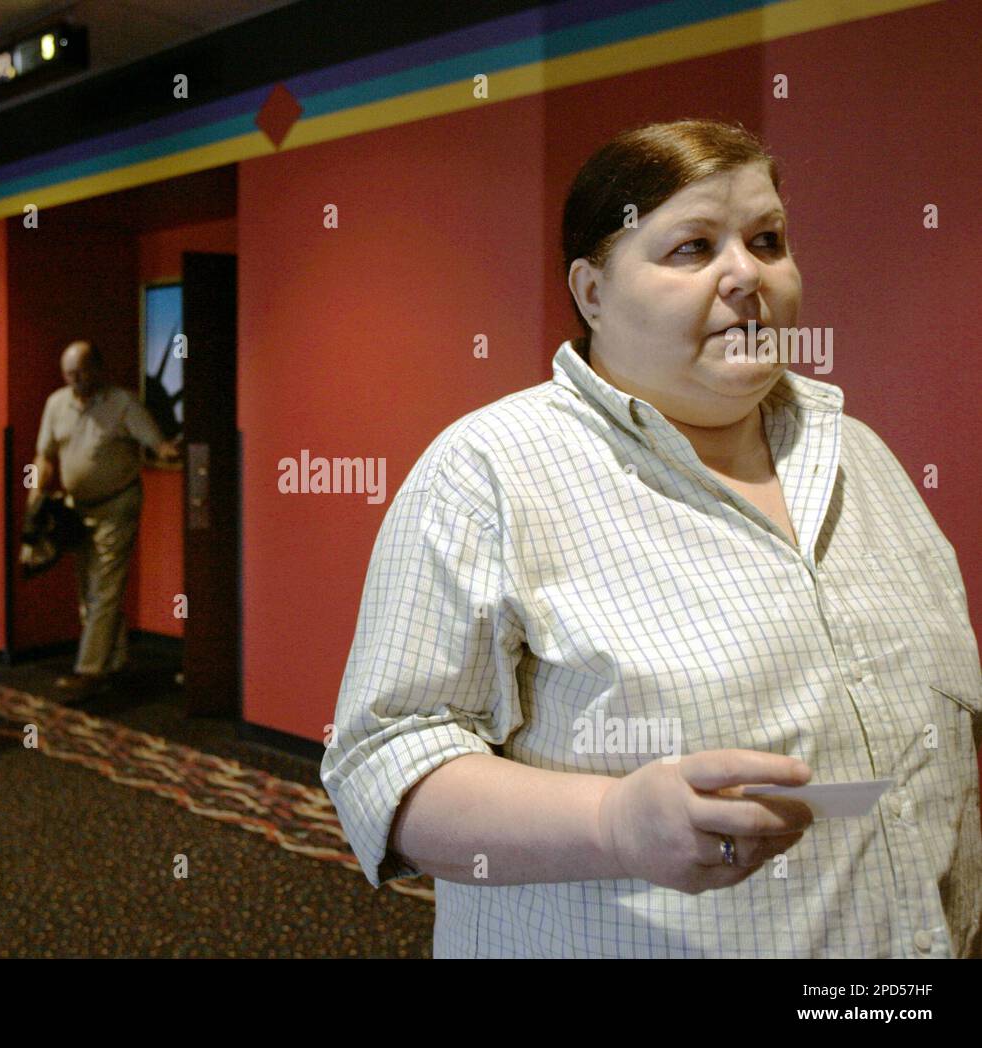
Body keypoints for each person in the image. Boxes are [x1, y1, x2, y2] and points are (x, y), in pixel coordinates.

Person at [321, 119, 982, 958]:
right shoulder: (489, 472)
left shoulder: (860, 455)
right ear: (592, 292)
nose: (747, 274)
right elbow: (383, 769)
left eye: (767, 240)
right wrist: (612, 824)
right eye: (692, 247)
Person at [29, 340, 181, 703]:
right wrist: (34, 496)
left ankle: (90, 670)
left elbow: (156, 443)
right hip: (77, 508)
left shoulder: (123, 403)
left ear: (98, 369)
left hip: (118, 505)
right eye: (69, 373)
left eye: (81, 371)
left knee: (105, 586)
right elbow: (44, 455)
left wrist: (169, 451)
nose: (75, 379)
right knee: (89, 587)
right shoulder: (56, 404)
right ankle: (115, 659)